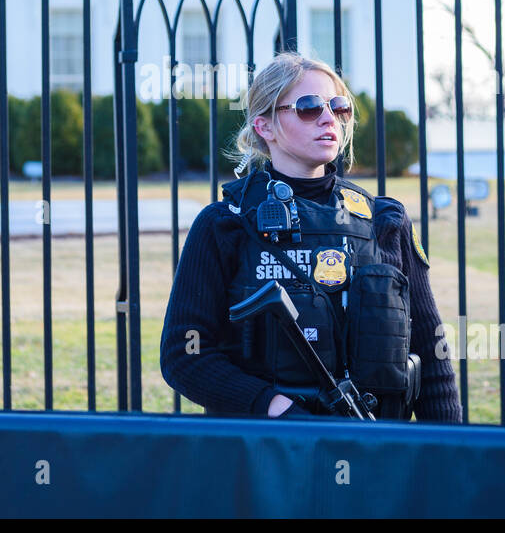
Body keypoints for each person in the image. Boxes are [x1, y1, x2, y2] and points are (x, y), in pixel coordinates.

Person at [160, 51, 462, 421]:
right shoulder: (224, 224)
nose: (328, 118)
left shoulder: (386, 220)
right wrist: (272, 406)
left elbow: (432, 359)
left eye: (339, 107)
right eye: (308, 107)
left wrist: (446, 455)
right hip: (265, 453)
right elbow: (184, 354)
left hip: (376, 446)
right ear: (264, 126)